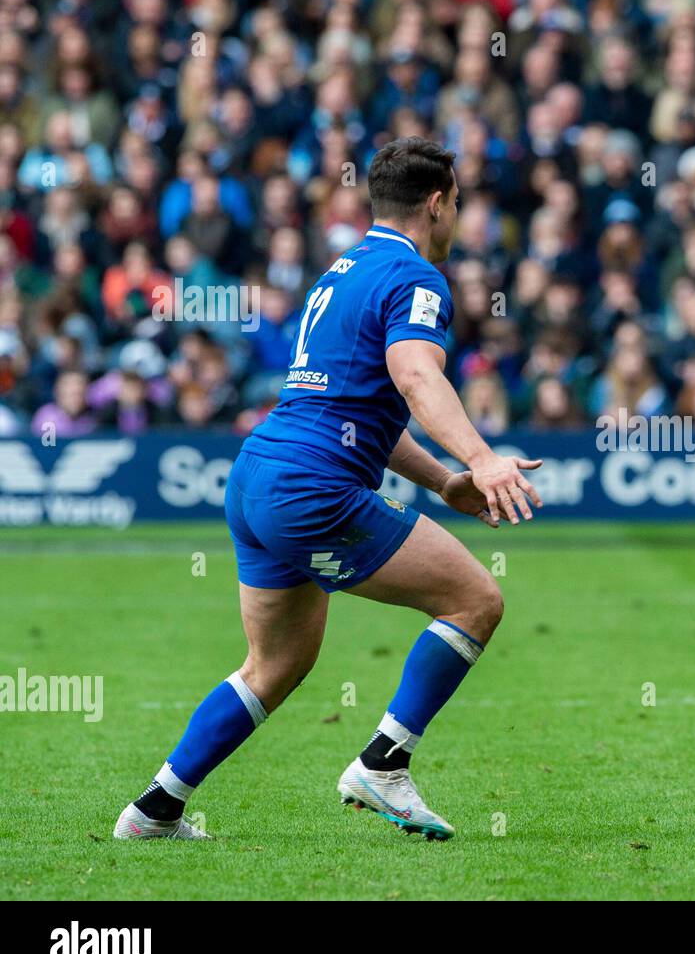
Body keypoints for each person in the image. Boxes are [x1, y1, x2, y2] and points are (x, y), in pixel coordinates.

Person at [115, 137, 542, 841]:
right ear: (436, 204)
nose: (459, 217)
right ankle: (384, 763)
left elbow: (357, 407)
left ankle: (155, 809)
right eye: (458, 204)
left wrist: (443, 479)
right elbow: (416, 378)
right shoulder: (418, 278)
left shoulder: (339, 273)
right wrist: (483, 457)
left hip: (258, 476)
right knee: (475, 599)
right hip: (313, 488)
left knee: (276, 664)